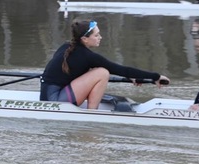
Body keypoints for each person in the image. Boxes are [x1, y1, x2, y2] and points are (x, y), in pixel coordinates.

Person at [40, 19, 168, 108]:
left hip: (47, 95)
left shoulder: (67, 46)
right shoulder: (88, 56)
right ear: (84, 39)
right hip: (55, 102)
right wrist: (155, 76)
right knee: (102, 73)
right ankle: (92, 114)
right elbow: (120, 69)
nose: (100, 37)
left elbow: (120, 71)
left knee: (97, 71)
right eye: (96, 35)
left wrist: (132, 76)